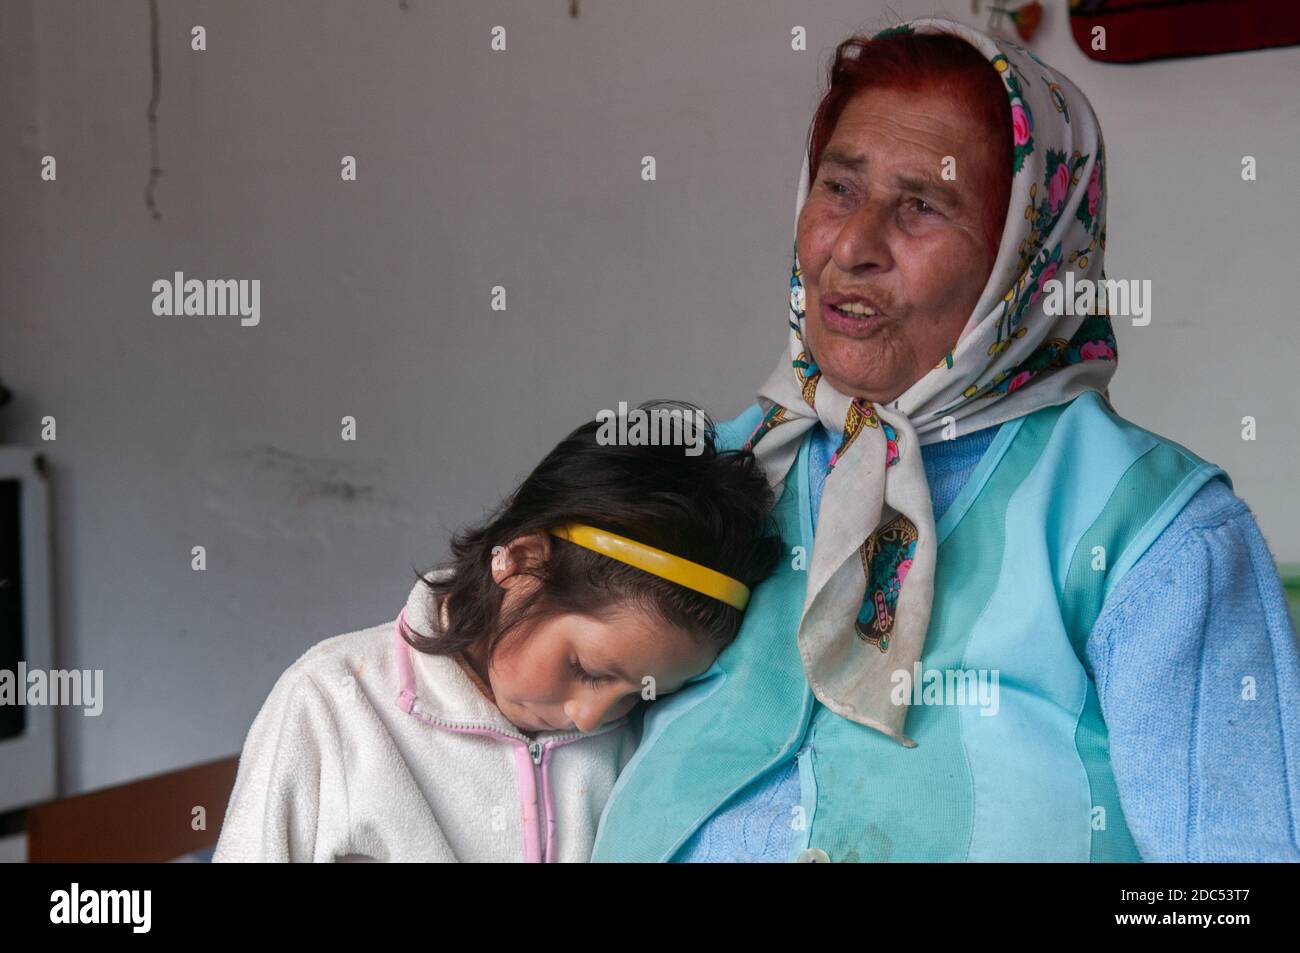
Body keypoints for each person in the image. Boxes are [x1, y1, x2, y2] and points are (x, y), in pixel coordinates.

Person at [591, 17, 1300, 862]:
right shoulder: (709, 474)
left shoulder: (1155, 536)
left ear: (1025, 253)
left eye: (921, 206)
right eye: (838, 189)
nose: (852, 248)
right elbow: (490, 676)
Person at [213, 404, 784, 861]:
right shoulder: (331, 703)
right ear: (522, 562)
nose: (593, 718)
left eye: (640, 693)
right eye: (586, 670)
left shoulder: (634, 742)